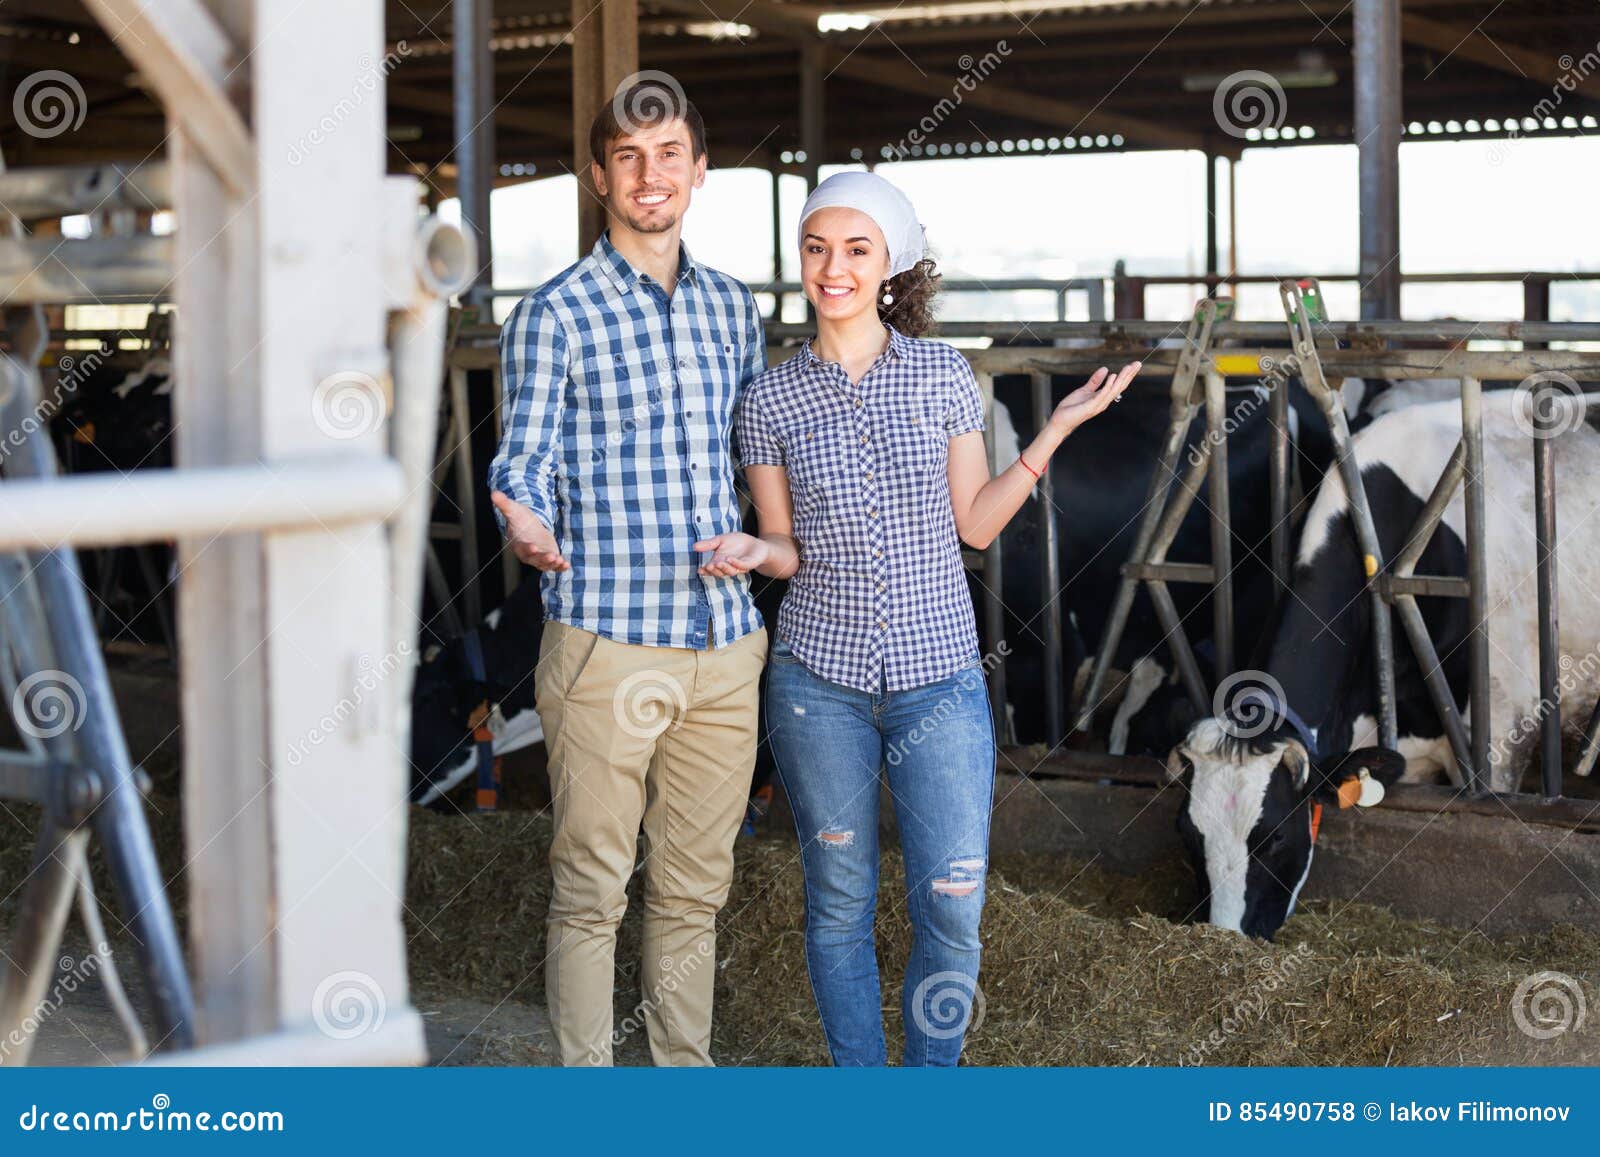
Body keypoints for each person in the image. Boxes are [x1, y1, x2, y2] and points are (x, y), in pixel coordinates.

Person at [698, 170, 1140, 1065]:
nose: (834, 268)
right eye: (818, 248)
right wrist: (756, 551)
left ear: (891, 264)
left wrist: (1053, 431)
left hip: (937, 681)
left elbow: (974, 523)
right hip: (816, 683)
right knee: (838, 899)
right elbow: (785, 545)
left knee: (950, 897)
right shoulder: (770, 399)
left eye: (857, 250)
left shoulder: (943, 374)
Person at [487, 81, 768, 1066]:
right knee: (592, 888)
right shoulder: (554, 313)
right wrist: (521, 515)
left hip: (725, 647)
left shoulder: (736, 309)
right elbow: (521, 457)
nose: (651, 175)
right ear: (598, 174)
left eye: (671, 154)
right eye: (629, 157)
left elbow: (762, 457)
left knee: (695, 887)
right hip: (608, 640)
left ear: (697, 169)